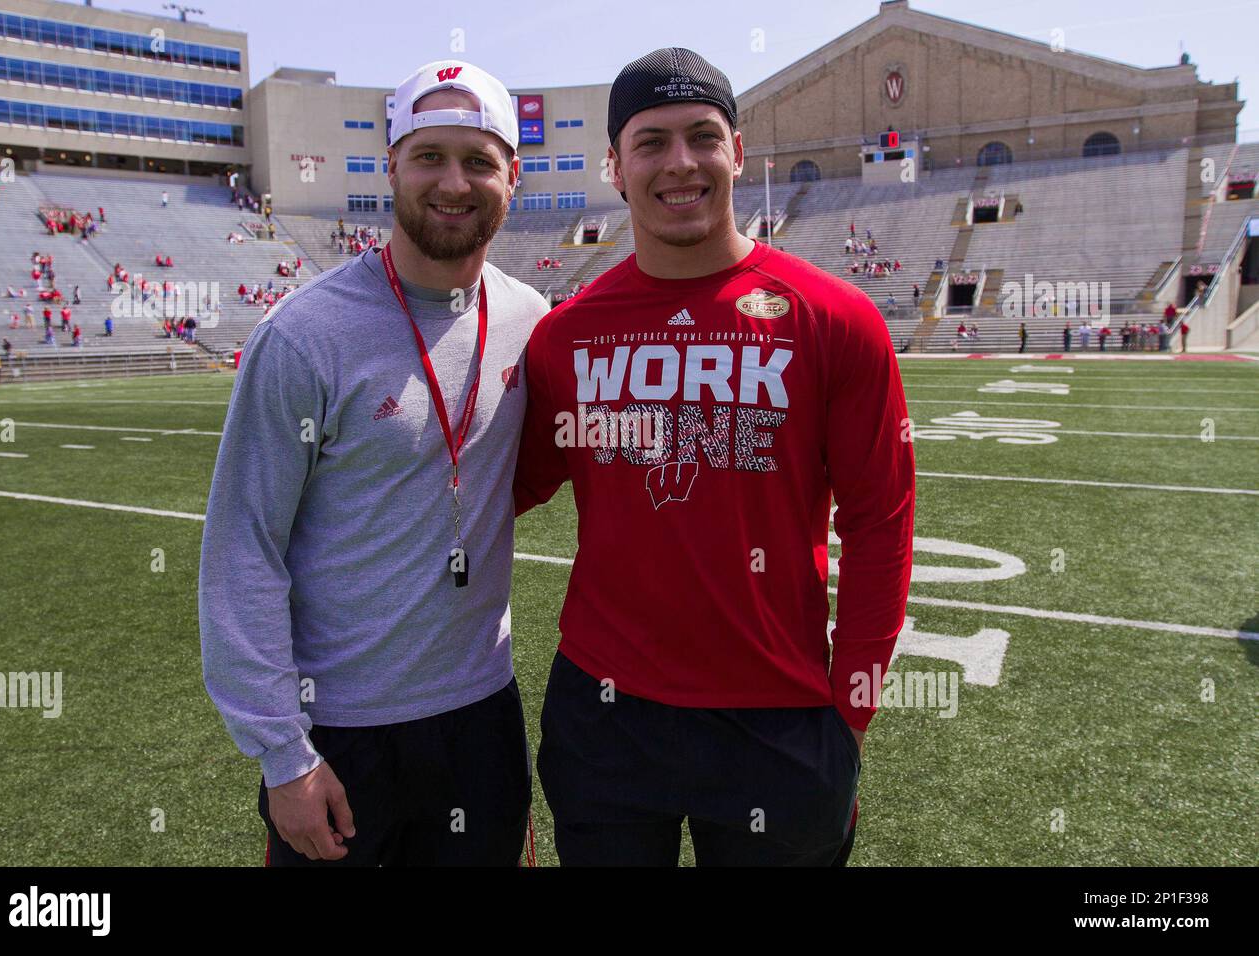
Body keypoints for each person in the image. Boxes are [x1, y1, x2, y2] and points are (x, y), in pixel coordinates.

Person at [515, 48, 914, 866]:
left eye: (703, 136)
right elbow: (502, 488)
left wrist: (853, 710)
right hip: (605, 711)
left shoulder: (835, 318)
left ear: (738, 152)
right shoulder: (565, 336)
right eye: (651, 142)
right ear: (616, 169)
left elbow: (881, 521)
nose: (681, 163)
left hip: (781, 713)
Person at [201, 59, 547, 868]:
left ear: (513, 177)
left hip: (481, 719)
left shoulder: (532, 320)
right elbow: (241, 551)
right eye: (429, 156)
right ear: (390, 166)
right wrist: (283, 755)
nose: (453, 182)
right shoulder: (303, 337)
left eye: (478, 160)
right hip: (338, 734)